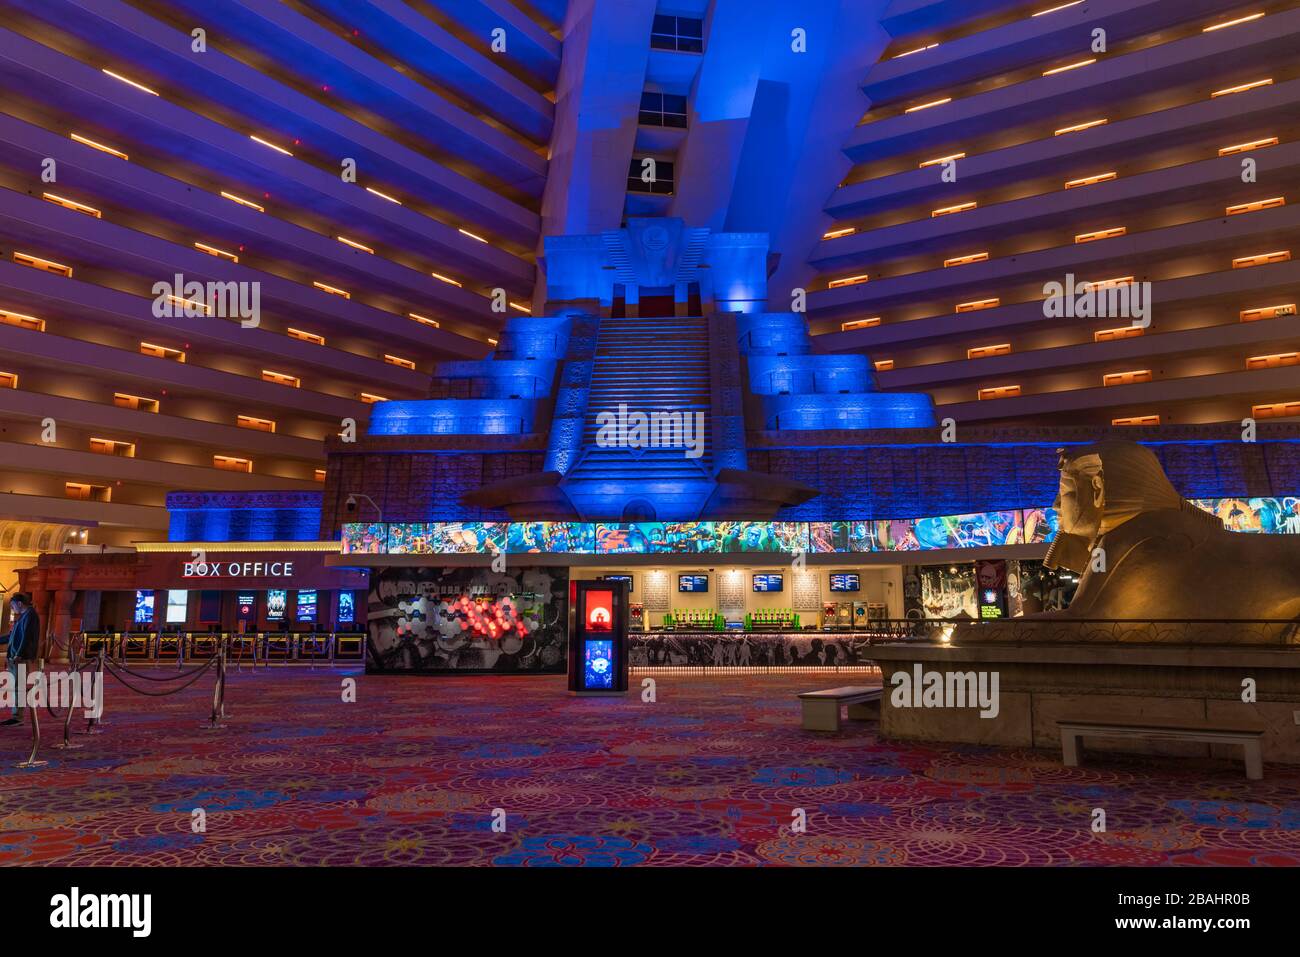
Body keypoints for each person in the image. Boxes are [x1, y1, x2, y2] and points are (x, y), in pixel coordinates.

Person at [1, 593, 40, 725]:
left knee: (19, 686)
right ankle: (16, 715)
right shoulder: (24, 616)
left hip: (20, 658)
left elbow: (27, 637)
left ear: (19, 603)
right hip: (15, 657)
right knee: (16, 686)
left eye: (12, 605)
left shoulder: (30, 615)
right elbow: (12, 636)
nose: (12, 609)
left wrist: (19, 654)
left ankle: (17, 717)